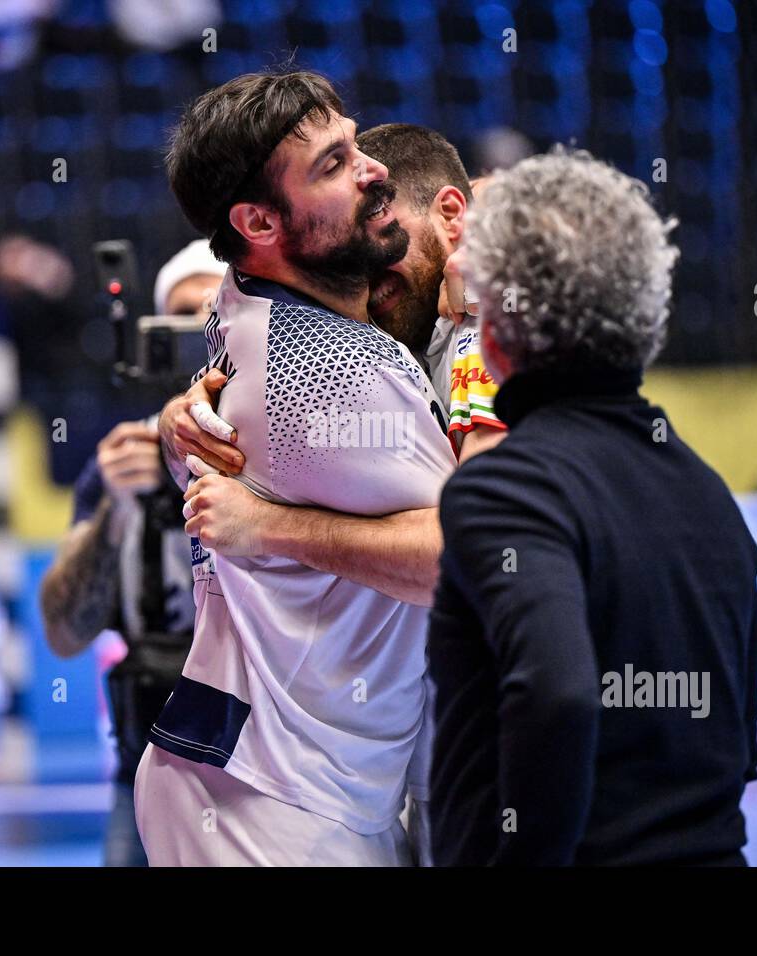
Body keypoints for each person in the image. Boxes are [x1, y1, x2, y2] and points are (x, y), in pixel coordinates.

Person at [155, 123, 505, 865]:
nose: (374, 283)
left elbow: (480, 553)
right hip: (385, 782)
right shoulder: (342, 350)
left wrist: (273, 527)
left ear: (451, 217)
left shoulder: (523, 334)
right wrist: (179, 417)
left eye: (390, 236)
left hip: (512, 757)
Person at [429, 147, 757, 866]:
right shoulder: (707, 491)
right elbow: (743, 739)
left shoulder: (504, 490)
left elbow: (559, 696)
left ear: (489, 335)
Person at [38, 240, 224, 867]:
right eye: (179, 321)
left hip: (266, 770)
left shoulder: (284, 446)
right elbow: (64, 632)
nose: (195, 338)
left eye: (210, 319)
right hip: (144, 768)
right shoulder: (124, 459)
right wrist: (116, 508)